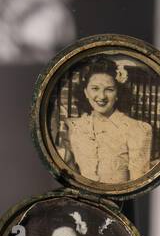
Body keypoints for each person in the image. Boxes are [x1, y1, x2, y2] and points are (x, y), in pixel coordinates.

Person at [60, 56, 153, 184]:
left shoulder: (137, 129)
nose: (102, 96)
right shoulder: (74, 127)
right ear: (86, 92)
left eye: (109, 90)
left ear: (118, 94)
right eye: (95, 88)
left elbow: (138, 184)